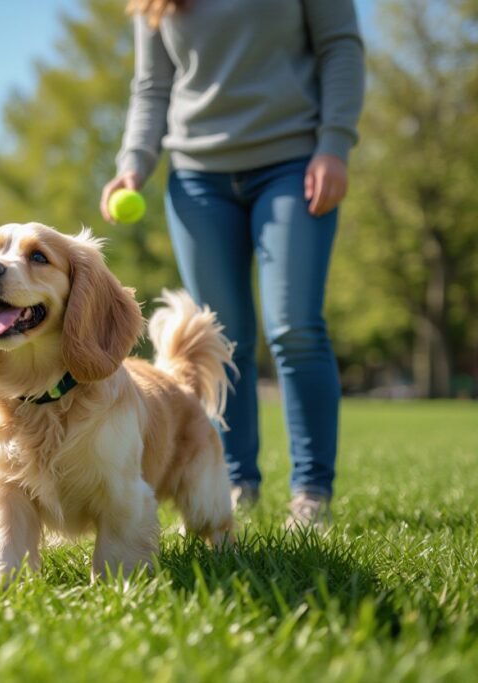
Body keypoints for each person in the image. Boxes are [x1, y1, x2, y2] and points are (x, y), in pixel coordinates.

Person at [100, 0, 365, 530]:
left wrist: (335, 144)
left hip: (294, 163)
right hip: (198, 177)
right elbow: (152, 86)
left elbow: (340, 48)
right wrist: (134, 162)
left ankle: (312, 492)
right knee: (223, 338)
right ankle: (237, 482)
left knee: (295, 327)